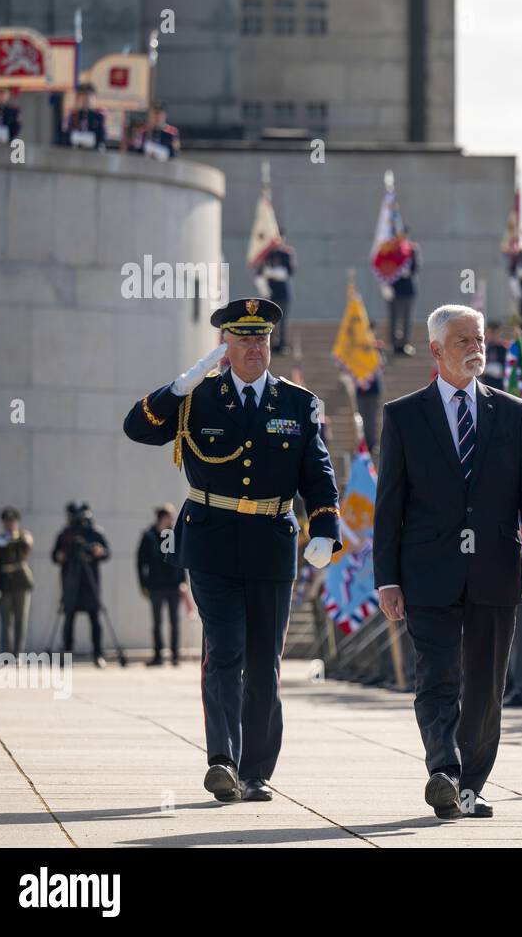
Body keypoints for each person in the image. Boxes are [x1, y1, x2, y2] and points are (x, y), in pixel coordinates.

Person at [123, 296, 342, 804]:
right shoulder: (197, 398)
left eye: (261, 339)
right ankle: (221, 759)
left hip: (271, 541)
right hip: (212, 540)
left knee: (264, 662)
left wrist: (326, 528)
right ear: (226, 344)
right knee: (224, 651)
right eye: (243, 339)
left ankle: (255, 770)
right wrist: (180, 384)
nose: (254, 349)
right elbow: (137, 428)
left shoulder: (297, 403)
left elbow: (318, 473)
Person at [373, 303, 522, 819]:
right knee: (437, 677)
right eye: (462, 341)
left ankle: (469, 784)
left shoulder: (512, 412)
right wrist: (386, 578)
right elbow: (390, 504)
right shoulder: (403, 415)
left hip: (496, 570)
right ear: (435, 350)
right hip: (428, 572)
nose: (476, 348)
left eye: (478, 339)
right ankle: (443, 771)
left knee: (485, 687)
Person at [51, 502, 110, 666]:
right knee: (69, 618)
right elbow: (54, 555)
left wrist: (99, 552)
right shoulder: (65, 534)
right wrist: (60, 556)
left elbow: (106, 553)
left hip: (90, 582)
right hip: (71, 581)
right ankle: (67, 652)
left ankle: (98, 654)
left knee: (94, 618)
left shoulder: (95, 532)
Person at [137, 505, 188, 666]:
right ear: (162, 517)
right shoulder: (148, 536)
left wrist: (183, 582)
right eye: (170, 516)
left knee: (175, 622)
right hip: (156, 586)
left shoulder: (174, 535)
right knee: (157, 623)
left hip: (173, 586)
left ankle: (174, 656)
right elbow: (140, 563)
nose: (172, 519)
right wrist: (143, 585)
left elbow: (181, 559)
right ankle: (158, 655)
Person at [0, 507, 33, 655]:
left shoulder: (23, 536)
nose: (10, 524)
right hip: (4, 583)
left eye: (13, 522)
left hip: (21, 582)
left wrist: (9, 540)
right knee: (6, 621)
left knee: (21, 620)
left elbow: (26, 546)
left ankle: (19, 653)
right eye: (7, 522)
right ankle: (6, 654)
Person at [255, 239, 296, 354]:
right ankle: (270, 345)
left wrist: (270, 273)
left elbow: (287, 272)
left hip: (282, 293)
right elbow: (259, 275)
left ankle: (282, 345)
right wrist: (264, 291)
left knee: (283, 321)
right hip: (270, 294)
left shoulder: (285, 253)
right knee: (269, 321)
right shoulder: (266, 254)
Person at [387, 226, 420, 355]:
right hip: (394, 288)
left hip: (408, 288)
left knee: (406, 318)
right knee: (394, 318)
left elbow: (415, 267)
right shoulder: (390, 249)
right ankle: (394, 344)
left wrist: (407, 270)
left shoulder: (411, 249)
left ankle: (405, 343)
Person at [61, 84, 106, 151]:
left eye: (89, 97)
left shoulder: (99, 117)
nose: (86, 101)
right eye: (83, 97)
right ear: (77, 99)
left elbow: (101, 139)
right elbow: (66, 137)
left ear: (95, 99)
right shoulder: (72, 116)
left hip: (93, 153)